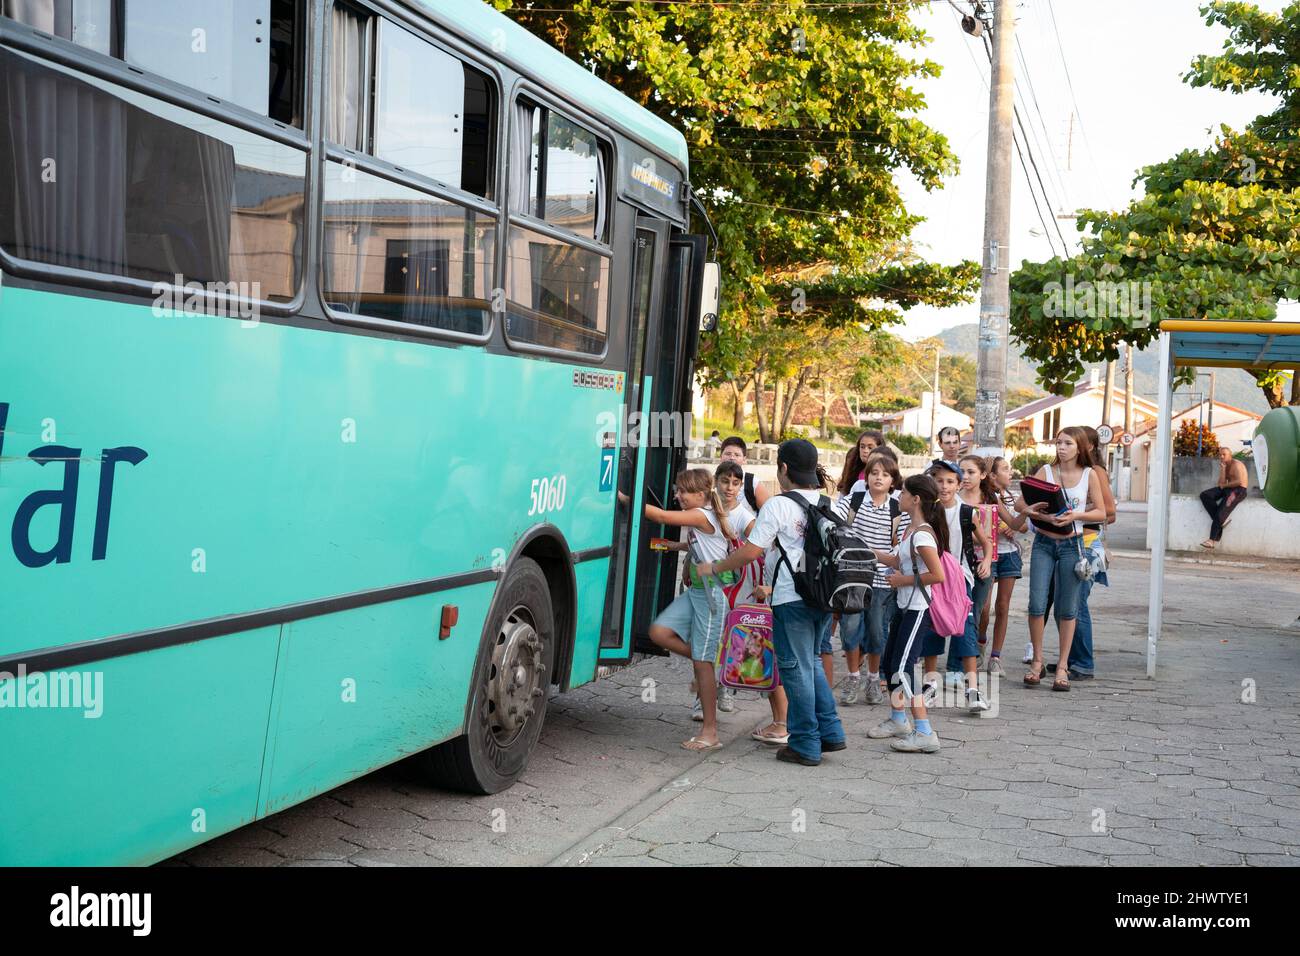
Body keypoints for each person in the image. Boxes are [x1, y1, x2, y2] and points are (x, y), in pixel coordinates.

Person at [695, 439, 846, 766]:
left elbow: (752, 550)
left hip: (792, 597)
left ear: (784, 469)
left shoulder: (778, 505)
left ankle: (806, 743)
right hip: (823, 596)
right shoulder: (826, 501)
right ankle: (831, 732)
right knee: (814, 663)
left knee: (795, 669)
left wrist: (715, 567)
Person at [643, 468, 742, 751]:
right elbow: (701, 543)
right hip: (696, 592)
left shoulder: (702, 515)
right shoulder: (704, 519)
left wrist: (628, 497)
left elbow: (662, 516)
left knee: (702, 663)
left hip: (710, 597)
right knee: (659, 632)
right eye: (677, 490)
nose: (677, 496)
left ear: (700, 494)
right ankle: (709, 661)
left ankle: (710, 732)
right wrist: (674, 545)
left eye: (682, 491)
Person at [1014, 427, 1107, 692]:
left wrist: (1075, 516)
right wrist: (1037, 514)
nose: (1061, 447)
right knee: (1036, 603)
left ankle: (1064, 666)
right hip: (1044, 542)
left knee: (1068, 608)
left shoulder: (1090, 475)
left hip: (1073, 544)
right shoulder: (1046, 471)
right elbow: (1021, 504)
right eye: (1058, 443)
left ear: (1080, 447)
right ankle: (1037, 662)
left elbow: (1101, 512)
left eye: (1067, 443)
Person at [865, 473, 950, 753]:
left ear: (915, 500)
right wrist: (869, 550)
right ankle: (899, 719)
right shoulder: (910, 530)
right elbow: (897, 559)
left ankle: (925, 731)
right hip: (904, 606)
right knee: (890, 665)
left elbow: (937, 575)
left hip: (917, 609)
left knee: (902, 669)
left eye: (902, 493)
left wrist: (902, 580)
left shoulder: (923, 535)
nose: (897, 497)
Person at [714, 461, 792, 743]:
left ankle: (784, 724)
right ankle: (780, 722)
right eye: (725, 481)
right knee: (768, 661)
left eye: (736, 483)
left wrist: (767, 588)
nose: (730, 488)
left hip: (765, 598)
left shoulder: (755, 523)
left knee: (775, 662)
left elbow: (753, 555)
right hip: (757, 595)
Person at [832, 453, 903, 706]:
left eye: (885, 474)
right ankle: (853, 676)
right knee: (850, 629)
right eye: (874, 473)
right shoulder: (854, 500)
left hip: (882, 583)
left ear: (893, 481)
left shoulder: (897, 509)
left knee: (876, 632)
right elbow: (833, 517)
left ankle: (873, 678)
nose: (879, 478)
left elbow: (901, 546)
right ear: (866, 477)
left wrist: (881, 559)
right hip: (851, 578)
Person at [925, 460, 992, 713]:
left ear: (958, 483)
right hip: (933, 577)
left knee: (965, 628)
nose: (944, 486)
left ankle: (972, 688)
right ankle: (930, 683)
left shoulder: (966, 512)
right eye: (939, 481)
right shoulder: (928, 510)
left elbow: (985, 542)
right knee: (932, 626)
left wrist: (985, 561)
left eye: (950, 481)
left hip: (960, 578)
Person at [985, 456, 1028, 675]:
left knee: (1003, 606)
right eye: (1005, 469)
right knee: (983, 607)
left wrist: (1016, 523)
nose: (1009, 473)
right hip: (987, 554)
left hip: (1009, 554)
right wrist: (1002, 524)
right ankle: (979, 644)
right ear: (991, 475)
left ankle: (995, 656)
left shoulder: (1013, 497)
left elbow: (1022, 527)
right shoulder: (984, 496)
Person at [958, 454, 999, 665]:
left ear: (983, 475)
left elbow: (1010, 522)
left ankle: (972, 654)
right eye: (961, 471)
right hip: (957, 563)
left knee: (978, 610)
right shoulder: (953, 498)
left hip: (984, 561)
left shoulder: (990, 500)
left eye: (971, 472)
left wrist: (1024, 516)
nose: (965, 476)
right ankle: (962, 658)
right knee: (959, 610)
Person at [1200, 445, 1248, 550]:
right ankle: (1223, 520)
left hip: (1238, 490)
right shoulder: (1225, 465)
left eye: (1224, 454)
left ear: (1230, 455)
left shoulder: (1236, 465)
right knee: (1205, 495)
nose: (1221, 456)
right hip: (1228, 488)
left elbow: (1239, 481)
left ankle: (1211, 540)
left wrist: (1225, 486)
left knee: (1220, 514)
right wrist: (1223, 469)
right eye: (1220, 454)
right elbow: (1220, 483)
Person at [720, 436, 771, 513]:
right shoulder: (711, 481)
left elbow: (769, 513)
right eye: (728, 454)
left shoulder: (752, 482)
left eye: (737, 455)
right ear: (721, 457)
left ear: (744, 459)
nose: (732, 458)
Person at [836, 430, 886, 496]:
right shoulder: (853, 471)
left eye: (870, 447)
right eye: (862, 447)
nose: (865, 451)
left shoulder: (887, 475)